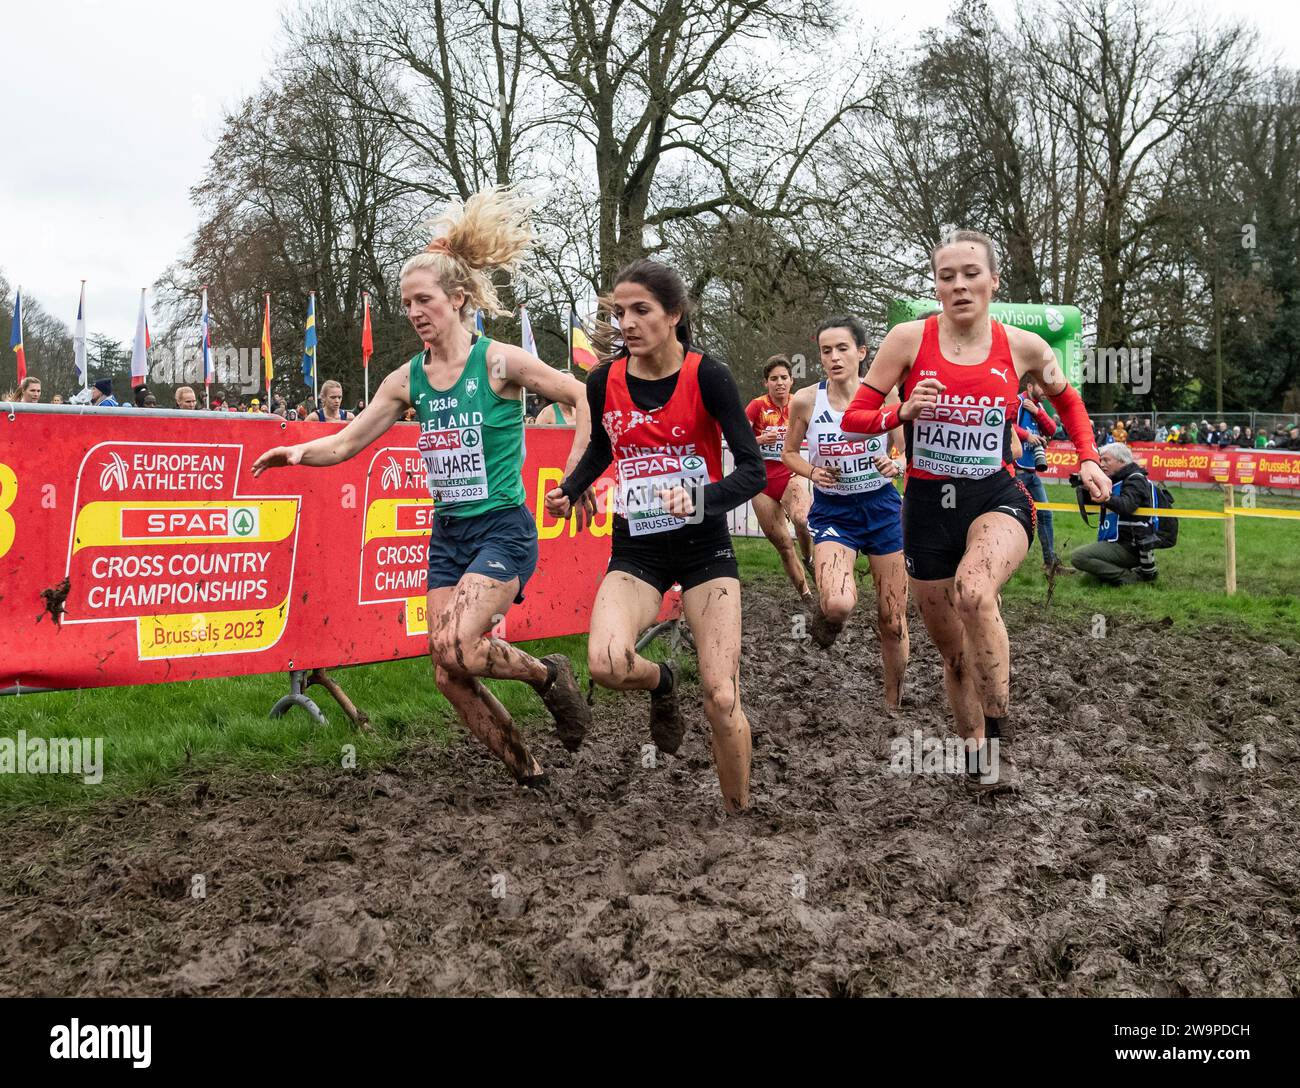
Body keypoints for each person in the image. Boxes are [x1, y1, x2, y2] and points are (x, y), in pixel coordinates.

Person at [254, 186, 596, 788]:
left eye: (424, 300)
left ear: (457, 300)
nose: (413, 312)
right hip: (448, 536)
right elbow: (346, 443)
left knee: (461, 646)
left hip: (502, 529)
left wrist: (576, 475)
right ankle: (530, 774)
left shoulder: (499, 363)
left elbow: (579, 394)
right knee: (446, 671)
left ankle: (546, 676)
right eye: (406, 303)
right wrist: (297, 452)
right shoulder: (406, 379)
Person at [838, 228, 1109, 793]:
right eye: (946, 276)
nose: (959, 285)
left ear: (992, 282)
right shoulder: (907, 341)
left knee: (975, 592)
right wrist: (903, 410)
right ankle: (976, 756)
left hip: (996, 496)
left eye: (970, 274)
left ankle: (1001, 727)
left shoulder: (1024, 347)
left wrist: (1087, 458)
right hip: (927, 507)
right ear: (936, 286)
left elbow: (1068, 399)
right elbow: (854, 418)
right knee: (953, 652)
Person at [547, 259, 765, 815]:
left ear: (673, 315)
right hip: (637, 547)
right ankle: (663, 682)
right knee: (605, 662)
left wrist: (702, 499)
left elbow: (753, 470)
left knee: (720, 695)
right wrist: (573, 487)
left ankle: (737, 814)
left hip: (703, 548)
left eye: (640, 310)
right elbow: (604, 446)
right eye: (619, 312)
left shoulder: (707, 376)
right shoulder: (604, 381)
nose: (627, 323)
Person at [782, 317, 910, 709]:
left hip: (883, 508)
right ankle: (828, 618)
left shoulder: (886, 397)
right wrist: (812, 471)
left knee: (892, 619)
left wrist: (897, 464)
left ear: (861, 352)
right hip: (834, 511)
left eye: (842, 349)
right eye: (826, 350)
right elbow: (788, 453)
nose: (834, 357)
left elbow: (903, 452)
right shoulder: (806, 400)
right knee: (838, 603)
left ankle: (893, 703)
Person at [745, 355, 814, 599]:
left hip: (790, 474)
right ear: (766, 383)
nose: (779, 383)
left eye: (784, 377)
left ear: (791, 380)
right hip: (761, 481)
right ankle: (806, 596)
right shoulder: (757, 406)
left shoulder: (800, 403)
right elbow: (737, 440)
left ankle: (809, 559)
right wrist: (759, 440)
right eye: (773, 379)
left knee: (802, 520)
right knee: (784, 545)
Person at [1069, 443, 1158, 585]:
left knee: (1078, 557)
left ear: (1122, 461)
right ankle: (1126, 572)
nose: (1101, 464)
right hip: (1114, 541)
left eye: (1106, 460)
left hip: (1130, 545)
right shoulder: (1114, 480)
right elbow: (1092, 508)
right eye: (1100, 460)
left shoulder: (1135, 479)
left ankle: (1131, 579)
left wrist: (1104, 495)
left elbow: (1126, 506)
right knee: (1089, 580)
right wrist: (1087, 488)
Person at [1012, 374, 1061, 571]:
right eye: (1043, 386)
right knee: (1016, 517)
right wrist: (1027, 435)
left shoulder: (1037, 407)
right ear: (1030, 386)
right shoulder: (1017, 401)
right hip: (1016, 471)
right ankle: (1008, 561)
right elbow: (1006, 424)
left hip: (1032, 473)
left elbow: (1052, 429)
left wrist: (1038, 413)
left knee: (1046, 515)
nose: (1047, 392)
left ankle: (1050, 563)